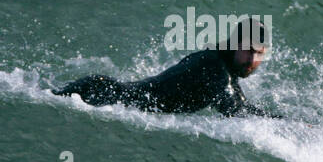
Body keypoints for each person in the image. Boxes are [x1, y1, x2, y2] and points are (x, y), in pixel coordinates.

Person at [52, 17, 282, 117]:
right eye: (248, 50)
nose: (252, 60)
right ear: (233, 44)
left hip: (104, 92)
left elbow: (241, 105)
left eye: (258, 54)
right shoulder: (215, 70)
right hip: (102, 96)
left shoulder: (222, 65)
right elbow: (237, 114)